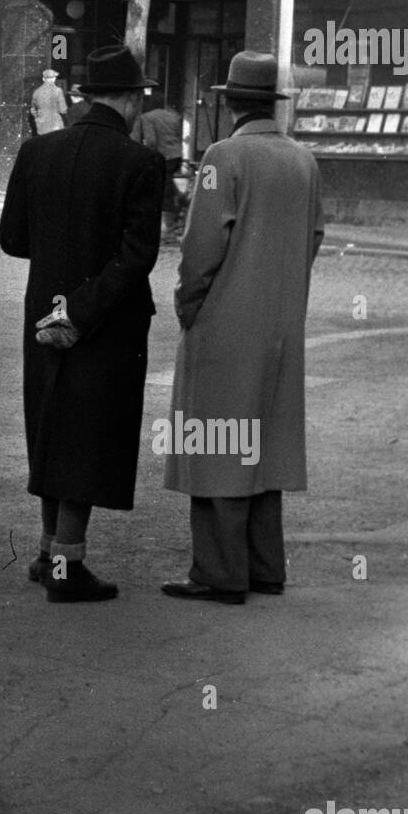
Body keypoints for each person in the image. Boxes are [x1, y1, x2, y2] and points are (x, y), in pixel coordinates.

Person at [0, 45, 165, 602]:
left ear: (87, 95)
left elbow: (12, 239)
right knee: (88, 436)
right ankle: (66, 566)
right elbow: (137, 257)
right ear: (131, 99)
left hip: (42, 311)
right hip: (105, 319)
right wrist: (83, 308)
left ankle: (49, 552)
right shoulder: (140, 163)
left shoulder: (36, 151)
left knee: (50, 424)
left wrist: (59, 268)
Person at [161, 51, 325, 605]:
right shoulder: (303, 160)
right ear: (272, 104)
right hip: (280, 323)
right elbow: (315, 236)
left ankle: (220, 571)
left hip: (225, 319)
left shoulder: (222, 156)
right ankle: (264, 565)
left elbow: (201, 245)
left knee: (217, 439)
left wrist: (189, 302)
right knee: (264, 441)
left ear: (229, 102)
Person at [138, 91, 183, 240]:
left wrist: (149, 156)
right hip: (176, 155)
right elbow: (178, 135)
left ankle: (168, 227)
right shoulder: (174, 116)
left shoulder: (147, 117)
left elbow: (151, 141)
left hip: (163, 156)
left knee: (163, 190)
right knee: (167, 185)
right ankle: (182, 201)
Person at [29, 68, 67, 134]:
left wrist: (38, 118)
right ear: (54, 79)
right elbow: (63, 110)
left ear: (43, 79)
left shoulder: (36, 92)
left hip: (41, 127)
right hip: (56, 126)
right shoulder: (58, 91)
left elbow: (33, 110)